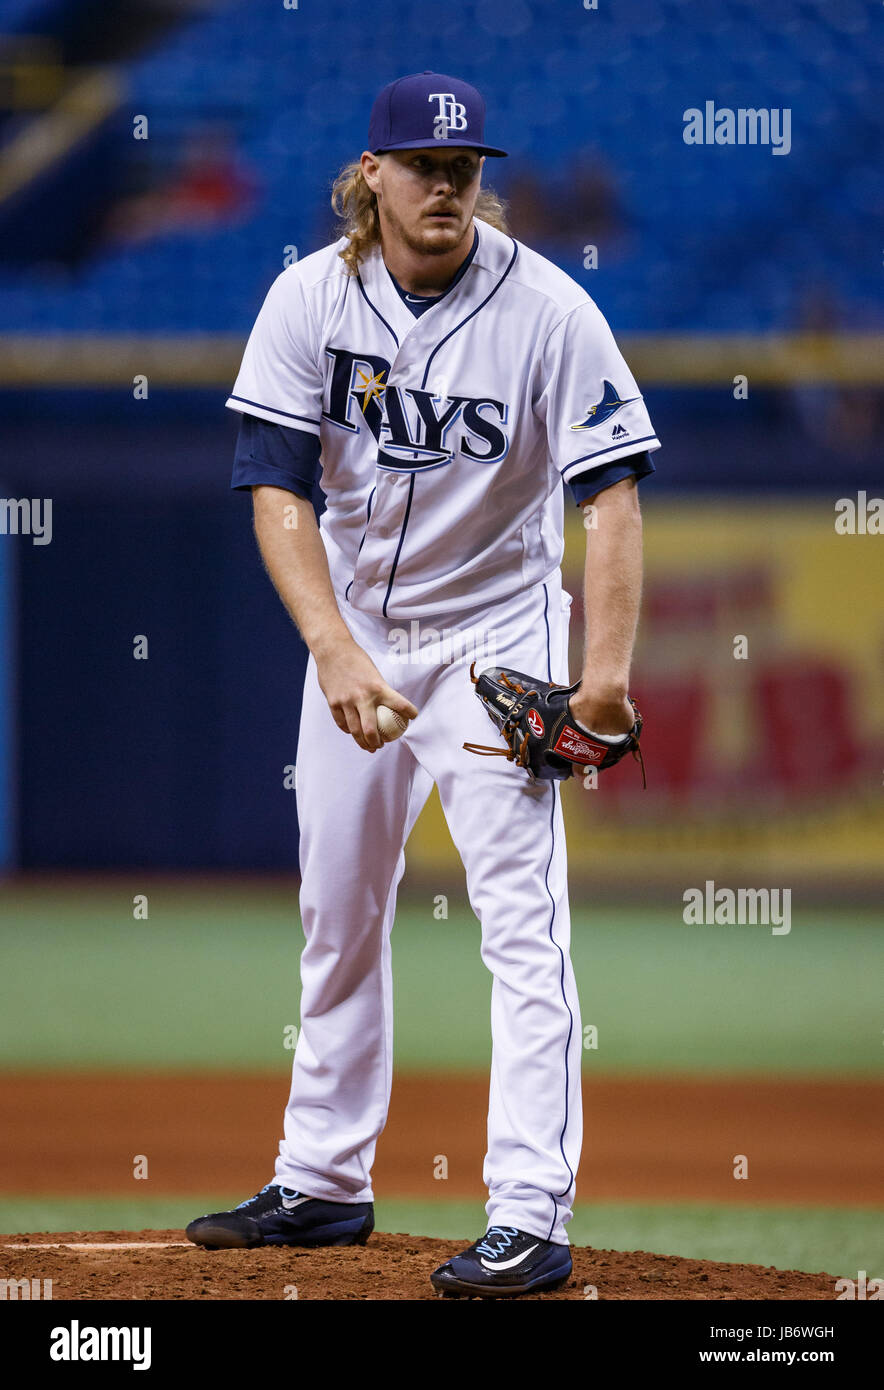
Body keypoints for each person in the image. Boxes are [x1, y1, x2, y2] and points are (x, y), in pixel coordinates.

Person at [186, 70, 660, 1298]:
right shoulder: (307, 297)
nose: (447, 185)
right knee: (334, 912)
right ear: (372, 178)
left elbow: (609, 496)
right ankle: (322, 1179)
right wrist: (334, 651)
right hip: (354, 634)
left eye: (465, 168)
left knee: (520, 924)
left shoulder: (548, 308)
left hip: (497, 645)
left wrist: (600, 679)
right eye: (424, 166)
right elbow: (276, 490)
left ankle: (527, 1209)